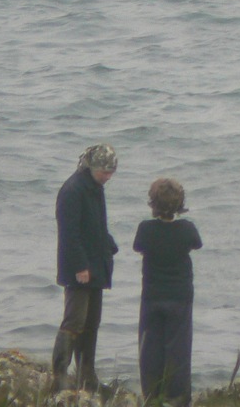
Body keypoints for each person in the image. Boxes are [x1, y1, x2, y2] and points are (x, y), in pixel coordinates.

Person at [53, 143, 119, 392]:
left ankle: (86, 377)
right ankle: (59, 376)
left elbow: (96, 226)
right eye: (105, 171)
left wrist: (110, 245)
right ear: (92, 167)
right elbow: (69, 234)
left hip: (97, 265)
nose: (108, 176)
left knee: (92, 323)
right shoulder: (73, 190)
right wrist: (80, 266)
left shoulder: (95, 187)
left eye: (111, 172)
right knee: (74, 321)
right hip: (79, 270)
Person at [134, 177, 202, 406]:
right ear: (180, 203)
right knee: (178, 350)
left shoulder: (145, 229)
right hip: (180, 296)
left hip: (152, 295)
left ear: (153, 203)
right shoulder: (187, 228)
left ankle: (152, 397)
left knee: (150, 350)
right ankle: (178, 399)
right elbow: (196, 244)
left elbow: (138, 247)